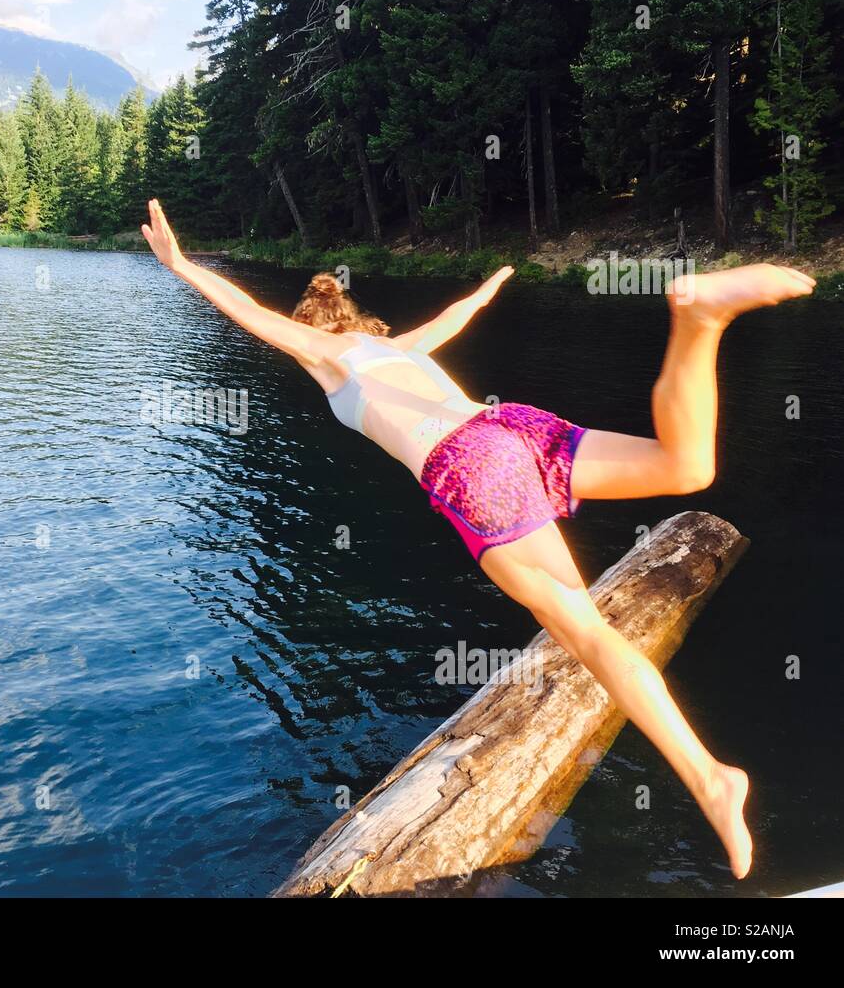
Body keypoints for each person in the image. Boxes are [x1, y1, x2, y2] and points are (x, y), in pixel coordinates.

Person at [140, 198, 816, 879]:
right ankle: (699, 322)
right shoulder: (389, 345)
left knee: (587, 633)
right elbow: (452, 319)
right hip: (511, 426)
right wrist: (489, 286)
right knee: (687, 465)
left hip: (470, 467)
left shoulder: (329, 355)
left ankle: (707, 777)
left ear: (312, 330)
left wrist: (183, 264)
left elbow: (251, 317)